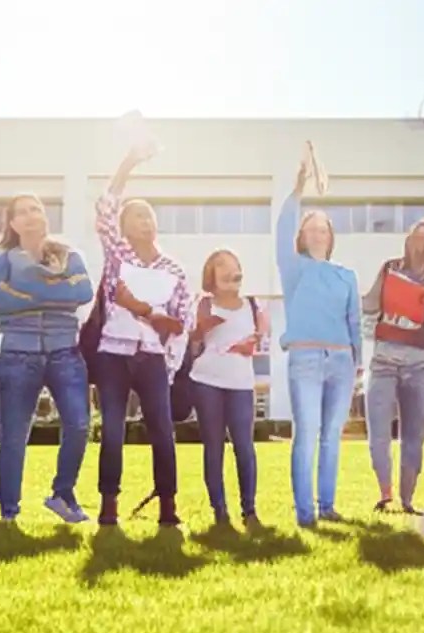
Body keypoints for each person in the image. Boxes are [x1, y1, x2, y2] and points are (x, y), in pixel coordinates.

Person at [89, 146, 190, 527]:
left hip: (152, 359)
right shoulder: (117, 254)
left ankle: (168, 506)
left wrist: (168, 364)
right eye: (135, 217)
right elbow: (105, 208)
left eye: (148, 216)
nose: (144, 222)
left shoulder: (174, 269)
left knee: (162, 431)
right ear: (124, 226)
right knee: (112, 429)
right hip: (113, 354)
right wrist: (126, 165)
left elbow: (181, 322)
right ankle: (109, 505)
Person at [0, 193, 94, 523]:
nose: (33, 216)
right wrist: (56, 291)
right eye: (24, 212)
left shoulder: (68, 254)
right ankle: (8, 512)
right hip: (18, 354)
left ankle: (63, 494)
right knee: (14, 436)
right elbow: (1, 301)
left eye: (38, 209)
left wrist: (30, 292)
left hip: (66, 351)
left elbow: (83, 293)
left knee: (79, 424)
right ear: (13, 222)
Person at [275, 142, 361, 528]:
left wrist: (357, 364)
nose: (315, 233)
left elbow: (355, 322)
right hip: (306, 360)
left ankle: (327, 506)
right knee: (306, 433)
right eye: (308, 228)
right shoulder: (294, 268)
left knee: (331, 438)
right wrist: (298, 187)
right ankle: (305, 513)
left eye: (321, 228)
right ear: (301, 236)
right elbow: (282, 226)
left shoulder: (347, 276)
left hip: (341, 361)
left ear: (330, 234)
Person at [361, 217, 424, 514]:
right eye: (413, 236)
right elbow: (370, 304)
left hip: (420, 363)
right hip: (384, 360)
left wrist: (417, 307)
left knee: (413, 436)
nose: (415, 242)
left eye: (422, 238)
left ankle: (408, 500)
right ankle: (385, 494)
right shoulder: (390, 268)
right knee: (378, 432)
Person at [190, 250, 267, 528]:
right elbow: (195, 343)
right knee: (214, 447)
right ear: (211, 276)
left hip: (241, 383)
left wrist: (253, 342)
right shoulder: (205, 304)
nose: (227, 269)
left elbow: (259, 336)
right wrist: (200, 330)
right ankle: (220, 512)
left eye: (231, 264)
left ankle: (249, 511)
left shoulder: (252, 304)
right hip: (207, 380)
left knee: (244, 447)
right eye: (219, 265)